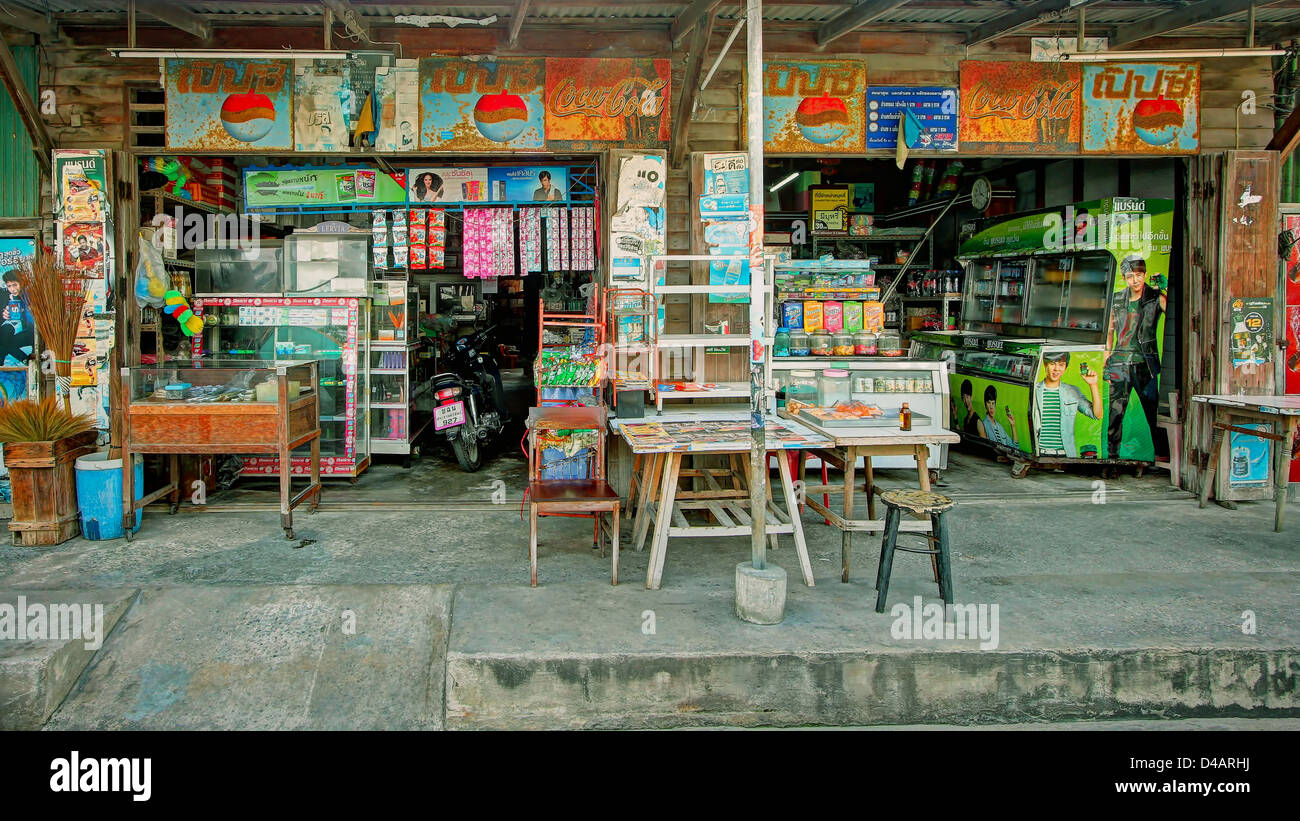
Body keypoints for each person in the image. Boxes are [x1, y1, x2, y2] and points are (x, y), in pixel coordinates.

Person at [1103, 255, 1166, 459]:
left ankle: (1162, 456)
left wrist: (1165, 289)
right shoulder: (1116, 299)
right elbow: (1110, 331)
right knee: (1115, 413)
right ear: (1124, 278)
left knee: (1152, 412)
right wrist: (1106, 358)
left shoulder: (1155, 297)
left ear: (1145, 275)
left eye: (1139, 275)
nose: (1136, 280)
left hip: (1144, 364)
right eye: (1131, 276)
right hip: (1119, 362)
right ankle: (1112, 455)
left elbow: (1174, 310)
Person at [1033, 351, 1102, 458]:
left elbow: (1097, 415)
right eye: (1052, 364)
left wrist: (1093, 385)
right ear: (1045, 364)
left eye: (1061, 365)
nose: (1057, 369)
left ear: (1065, 367)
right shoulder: (1034, 390)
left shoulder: (1072, 391)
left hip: (1065, 455)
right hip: (1039, 453)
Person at [0, 269, 34, 366]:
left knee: (3, 342)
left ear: (22, 281)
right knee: (3, 339)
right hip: (21, 328)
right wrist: (7, 314)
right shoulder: (12, 297)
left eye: (15, 285)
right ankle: (24, 359)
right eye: (9, 286)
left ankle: (24, 359)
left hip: (33, 332)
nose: (12, 289)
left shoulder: (29, 295)